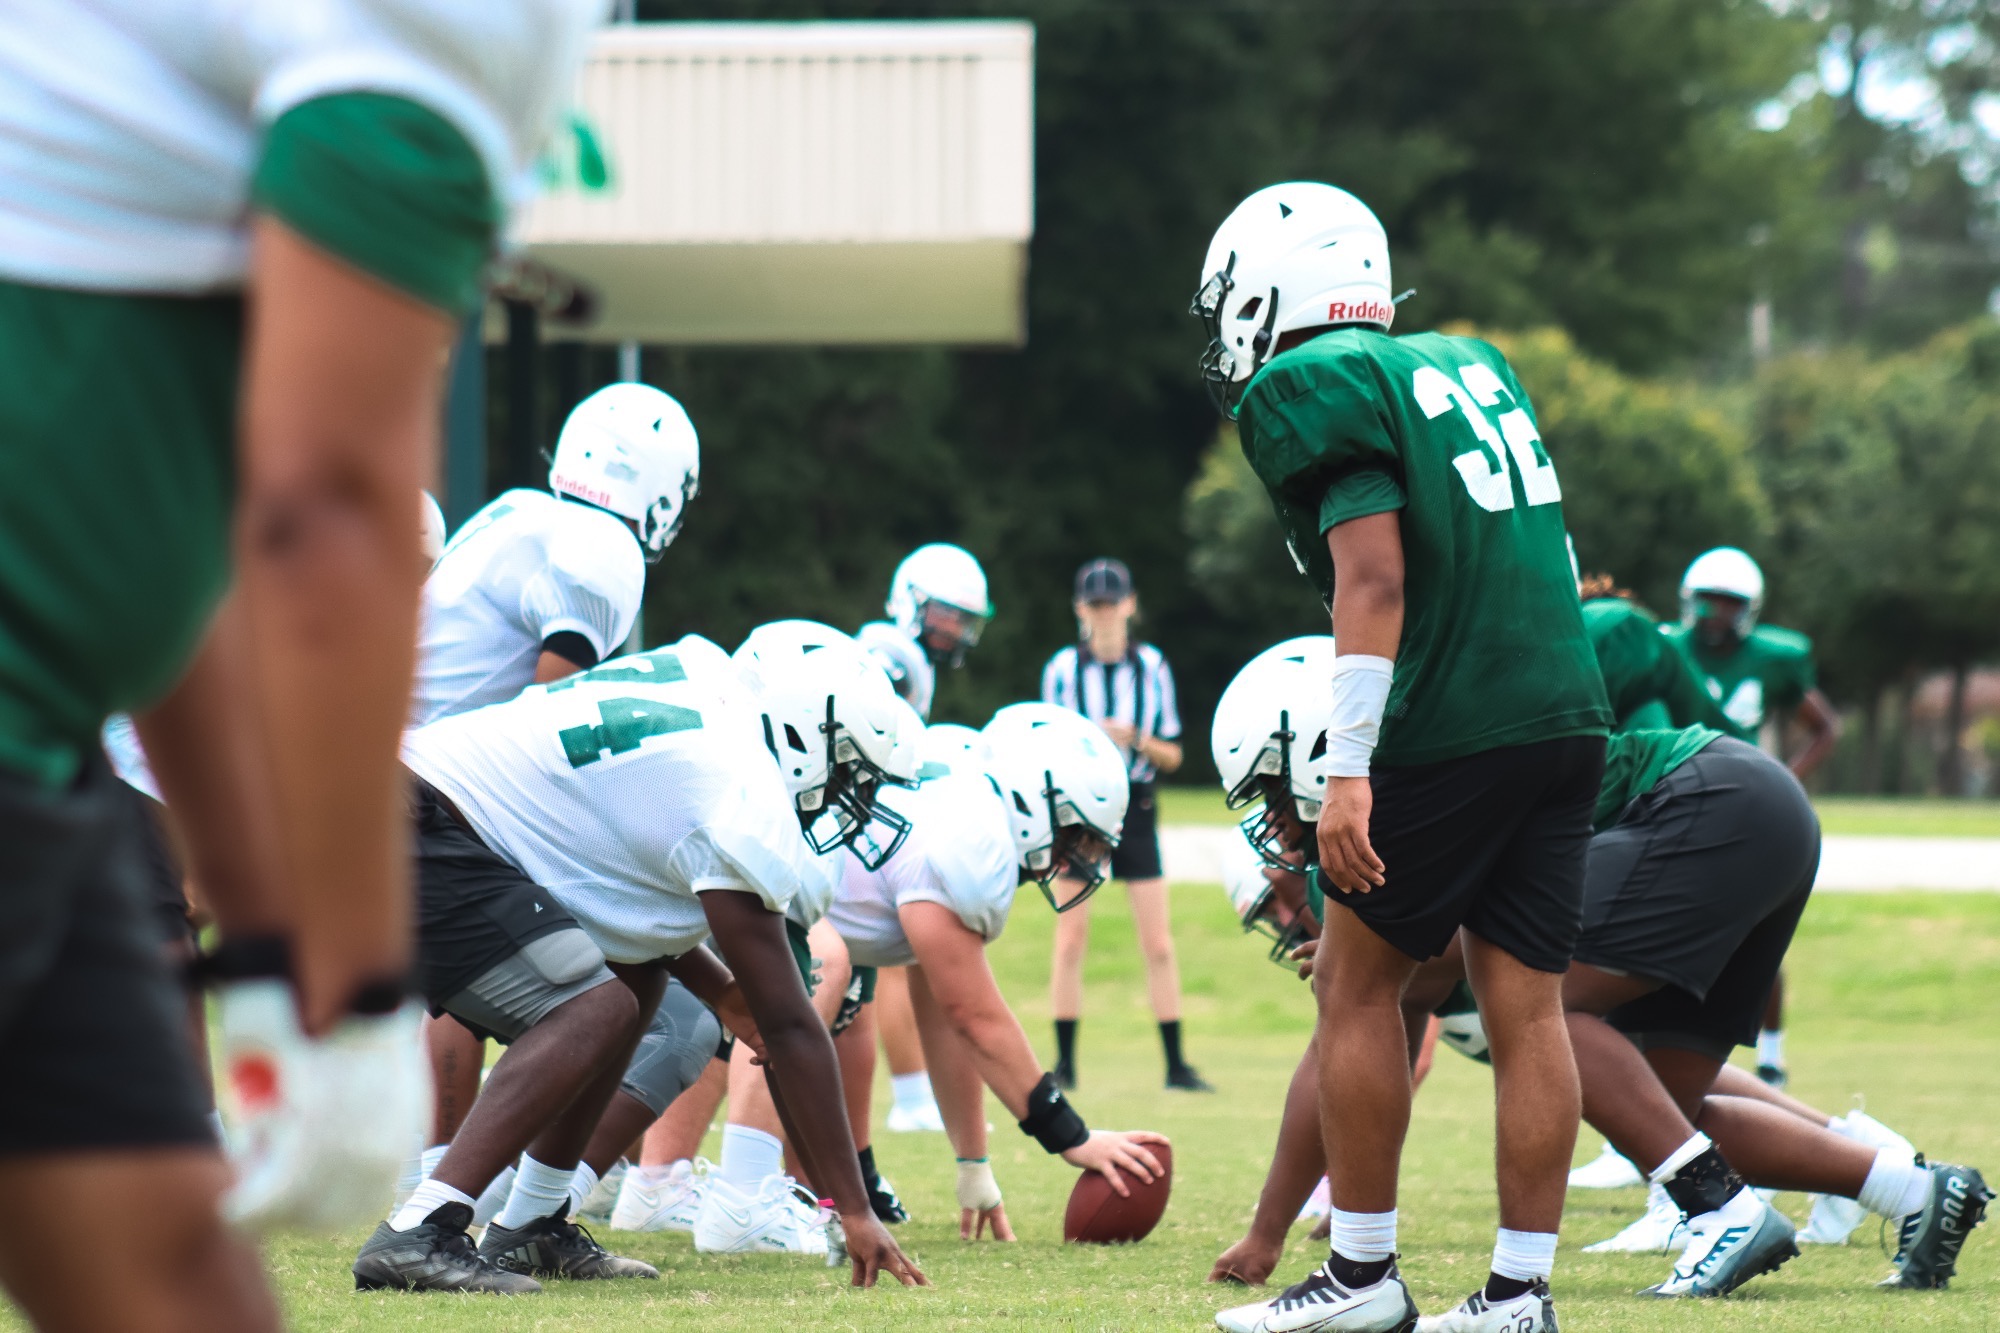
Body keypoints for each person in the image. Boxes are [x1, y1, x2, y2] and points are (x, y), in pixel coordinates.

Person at [0, 3, 602, 1327]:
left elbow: (182, 543)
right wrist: (353, 981)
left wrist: (279, 937)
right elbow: (321, 504)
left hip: (41, 741)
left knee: (172, 1272)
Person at [1205, 644, 1991, 1298]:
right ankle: (1914, 1188)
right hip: (1759, 808)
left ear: (1318, 742)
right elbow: (1381, 1028)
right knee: (1663, 1112)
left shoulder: (1407, 805)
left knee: (1538, 1016)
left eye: (1271, 788)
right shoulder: (1430, 760)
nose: (1273, 819)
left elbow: (1364, 1014)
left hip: (1705, 801)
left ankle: (1721, 1212)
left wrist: (1268, 1229)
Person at [1195, 181, 1612, 1333]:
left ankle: (1360, 1278)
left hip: (1454, 711)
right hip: (1564, 708)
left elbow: (1371, 581)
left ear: (1265, 295)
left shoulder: (1312, 383)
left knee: (1354, 985)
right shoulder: (1469, 362)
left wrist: (1346, 770)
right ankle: (1516, 1295)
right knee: (1527, 1008)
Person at [351, 628, 928, 1292]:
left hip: (403, 801)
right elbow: (790, 1026)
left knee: (637, 976)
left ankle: (531, 1222)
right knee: (591, 1007)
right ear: (804, 735)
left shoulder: (701, 680)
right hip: (404, 824)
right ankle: (420, 1227)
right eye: (849, 768)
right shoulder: (739, 791)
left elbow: (626, 904)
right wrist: (854, 1207)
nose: (850, 792)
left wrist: (721, 991)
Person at [408, 382, 701, 1201]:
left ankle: (458, 1182)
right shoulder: (602, 547)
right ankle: (504, 1195)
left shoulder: (518, 513)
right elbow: (552, 718)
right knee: (643, 1001)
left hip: (397, 782)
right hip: (432, 797)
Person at [826, 709, 1168, 1240]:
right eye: (1073, 836)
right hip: (757, 914)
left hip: (764, 913)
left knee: (813, 1003)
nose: (1071, 861)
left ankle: (756, 1183)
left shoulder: (956, 796)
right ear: (1035, 804)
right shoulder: (968, 840)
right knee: (807, 1001)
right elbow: (974, 1018)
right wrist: (1071, 1136)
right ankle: (746, 1190)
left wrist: (973, 1164)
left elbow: (943, 1012)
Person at [1665, 547, 1839, 1090]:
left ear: (1749, 608)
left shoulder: (1772, 657)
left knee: (1755, 936)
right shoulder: (1664, 648)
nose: (1716, 611)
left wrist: (1786, 780)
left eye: (1729, 602)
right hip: (1673, 801)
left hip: (1741, 804)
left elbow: (1824, 726)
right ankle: (1660, 1049)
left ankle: (1772, 1058)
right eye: (1708, 600)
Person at [1040, 557, 1206, 1092]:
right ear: (1080, 610)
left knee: (1158, 942)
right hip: (1079, 809)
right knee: (1070, 938)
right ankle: (1065, 1064)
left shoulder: (1152, 667)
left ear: (1129, 606)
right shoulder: (1062, 670)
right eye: (1095, 605)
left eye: (1111, 604)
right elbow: (1043, 748)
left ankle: (1176, 1064)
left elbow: (1174, 755)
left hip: (1136, 805)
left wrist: (1135, 738)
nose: (1104, 614)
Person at [855, 543, 994, 1136]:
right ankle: (911, 1097)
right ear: (912, 601)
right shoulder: (892, 654)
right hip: (855, 822)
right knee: (883, 962)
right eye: (947, 613)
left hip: (862, 817)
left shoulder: (908, 656)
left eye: (964, 618)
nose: (955, 628)